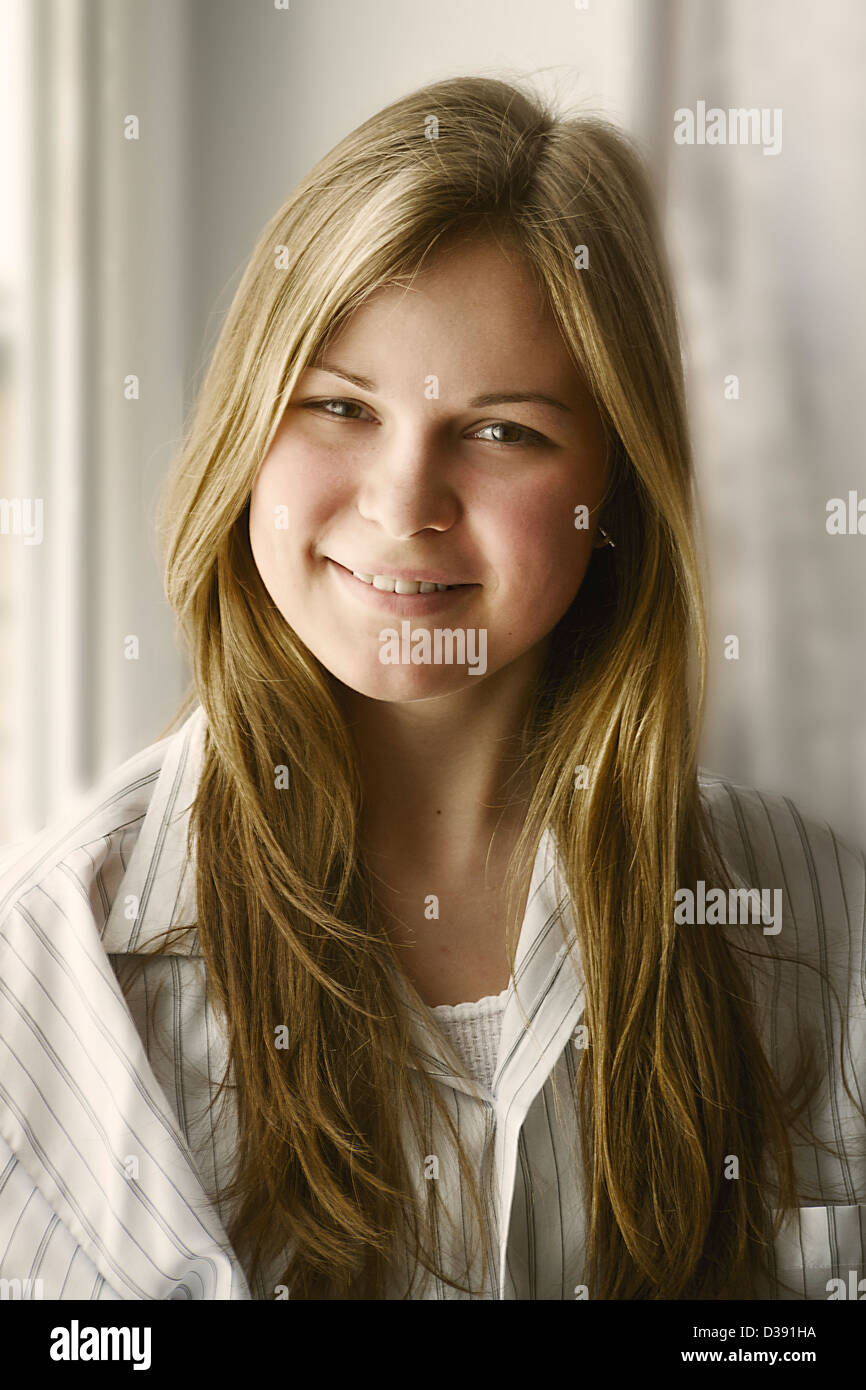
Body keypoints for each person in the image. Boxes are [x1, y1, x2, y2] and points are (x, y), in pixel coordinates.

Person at [1, 75, 863, 1302]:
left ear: (613, 488)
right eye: (339, 407)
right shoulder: (57, 966)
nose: (403, 503)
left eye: (501, 431)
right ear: (247, 430)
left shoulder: (816, 922)